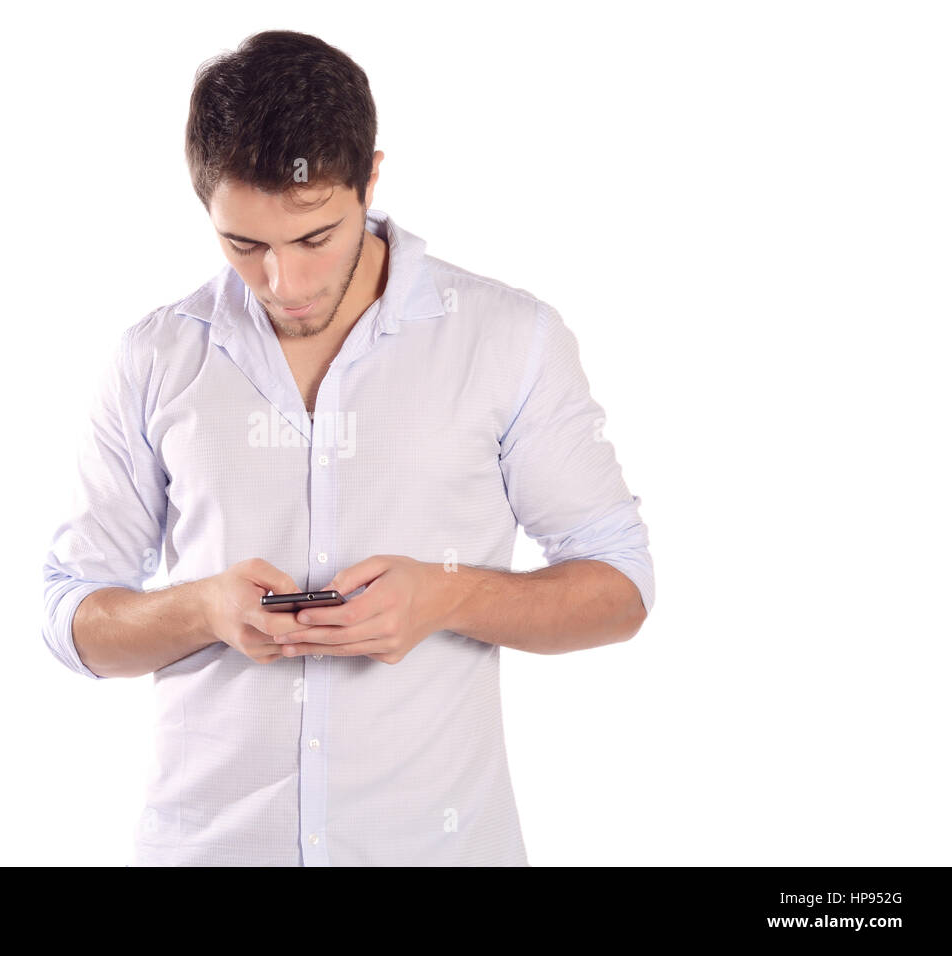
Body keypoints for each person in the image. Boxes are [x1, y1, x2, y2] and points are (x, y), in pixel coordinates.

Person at [40, 30, 654, 866]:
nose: (283, 286)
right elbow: (71, 616)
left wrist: (446, 595)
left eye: (315, 237)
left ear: (370, 178)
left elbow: (619, 588)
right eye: (244, 246)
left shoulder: (509, 341)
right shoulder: (154, 358)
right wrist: (200, 610)